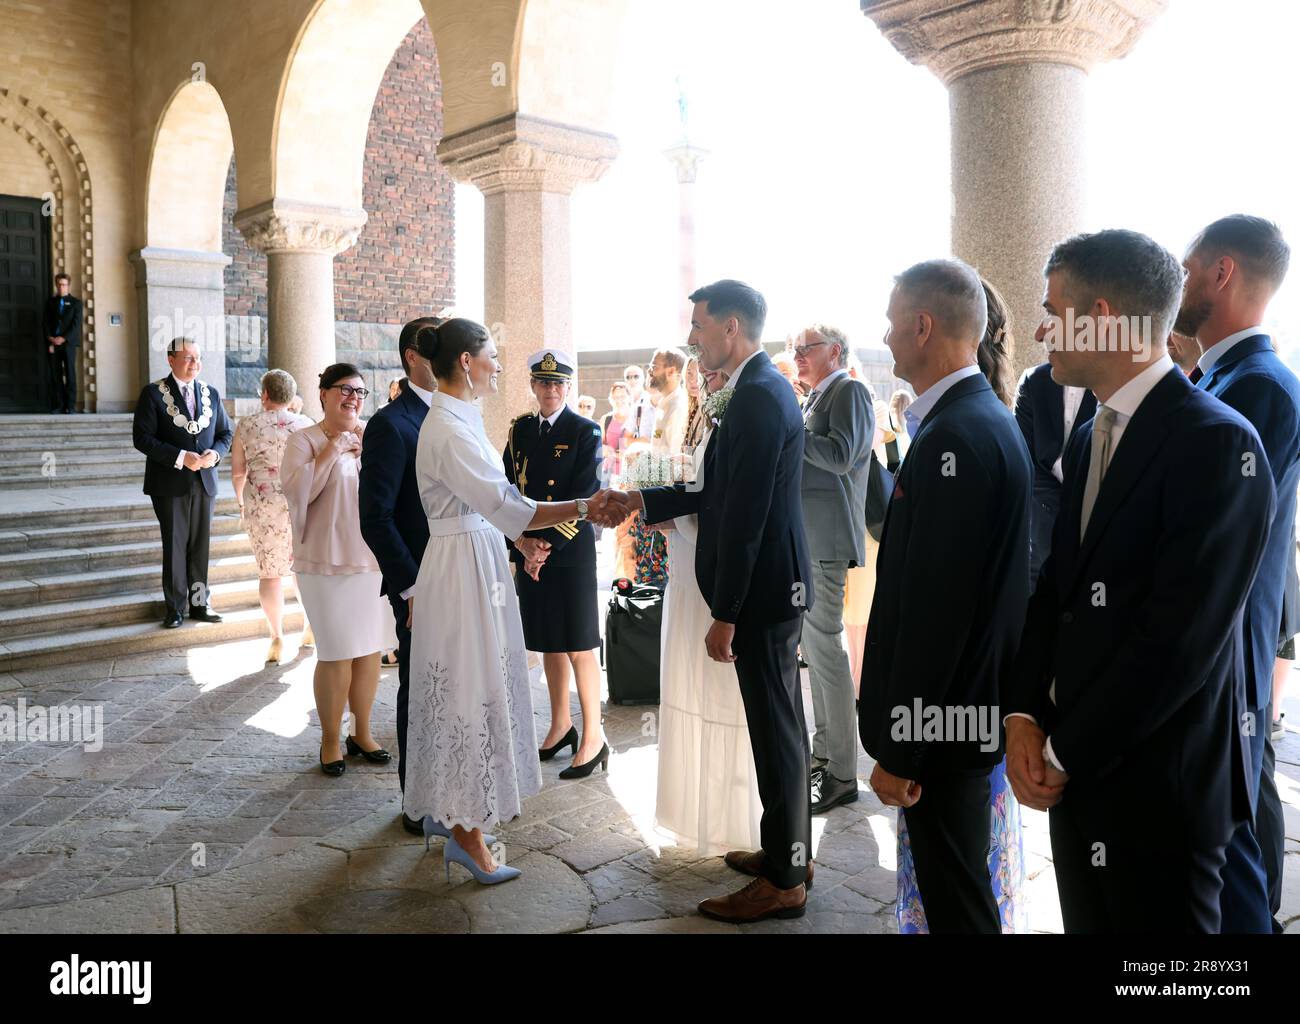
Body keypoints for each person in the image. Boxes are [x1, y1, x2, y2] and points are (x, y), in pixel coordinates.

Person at [1006, 228, 1275, 933]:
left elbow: (1180, 641)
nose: (1039, 327)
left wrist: (1063, 750)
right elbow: (1057, 586)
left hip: (1162, 795)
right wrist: (1025, 715)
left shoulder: (1217, 442)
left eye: (1051, 308)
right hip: (1075, 779)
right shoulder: (1090, 427)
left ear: (1101, 317)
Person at [596, 279, 814, 923]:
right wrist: (639, 500)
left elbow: (745, 516)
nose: (691, 337)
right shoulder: (751, 391)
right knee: (779, 731)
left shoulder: (756, 397)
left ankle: (785, 879)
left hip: (765, 593)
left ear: (732, 328)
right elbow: (713, 486)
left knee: (778, 737)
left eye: (699, 325)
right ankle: (786, 852)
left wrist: (726, 613)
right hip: (770, 588)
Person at [403, 318, 618, 884]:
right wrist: (583, 506)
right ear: (467, 363)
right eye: (492, 355)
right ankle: (466, 833)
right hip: (459, 569)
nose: (500, 366)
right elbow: (506, 501)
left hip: (475, 555)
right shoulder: (449, 428)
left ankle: (453, 812)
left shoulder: (461, 418)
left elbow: (487, 504)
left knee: (473, 683)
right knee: (468, 688)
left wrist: (521, 540)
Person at [857, 260, 1031, 934]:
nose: (888, 333)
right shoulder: (977, 417)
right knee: (956, 890)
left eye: (894, 319)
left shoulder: (957, 434)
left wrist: (904, 750)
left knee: (958, 903)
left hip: (944, 731)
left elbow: (940, 615)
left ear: (922, 325)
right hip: (958, 722)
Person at [1175, 214, 1299, 932]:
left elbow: (1205, 535)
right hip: (1216, 653)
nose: (1180, 283)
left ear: (1222, 273)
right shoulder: (1224, 376)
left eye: (1190, 268)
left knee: (1226, 858)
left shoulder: (1259, 386)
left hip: (1224, 658)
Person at [655, 362, 762, 855]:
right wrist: (659, 508)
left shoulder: (746, 408)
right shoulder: (705, 417)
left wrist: (669, 514)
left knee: (719, 694)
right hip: (686, 562)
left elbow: (729, 508)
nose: (703, 378)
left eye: (710, 371)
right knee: (690, 686)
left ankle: (729, 820)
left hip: (708, 567)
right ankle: (696, 811)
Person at [503, 349, 608, 778]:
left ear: (568, 387)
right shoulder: (520, 430)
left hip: (567, 553)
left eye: (557, 383)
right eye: (543, 382)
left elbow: (588, 495)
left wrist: (543, 547)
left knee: (580, 644)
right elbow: (508, 488)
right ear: (532, 385)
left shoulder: (586, 431)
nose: (549, 390)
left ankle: (594, 737)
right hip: (530, 548)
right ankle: (560, 724)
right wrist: (523, 543)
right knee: (548, 641)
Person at [281, 364, 389, 777]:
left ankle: (362, 732)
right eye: (344, 390)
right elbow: (296, 493)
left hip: (370, 560)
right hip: (323, 563)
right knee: (336, 652)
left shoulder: (372, 438)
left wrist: (365, 452)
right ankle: (330, 739)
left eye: (360, 392)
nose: (353, 398)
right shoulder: (303, 440)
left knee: (368, 651)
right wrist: (333, 450)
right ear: (323, 393)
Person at [359, 316, 442, 829]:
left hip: (463, 578)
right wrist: (411, 587)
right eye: (437, 346)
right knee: (420, 686)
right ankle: (417, 801)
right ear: (412, 355)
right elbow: (376, 517)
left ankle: (453, 788)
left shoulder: (457, 415)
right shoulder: (391, 423)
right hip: (420, 582)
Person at [793, 324, 874, 815]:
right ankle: (825, 755)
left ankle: (843, 771)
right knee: (816, 650)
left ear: (835, 351)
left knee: (825, 648)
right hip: (807, 540)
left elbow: (843, 456)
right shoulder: (814, 398)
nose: (798, 355)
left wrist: (791, 433)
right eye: (794, 349)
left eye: (807, 348)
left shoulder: (850, 390)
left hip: (826, 540)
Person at [132, 336, 233, 629]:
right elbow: (142, 438)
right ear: (171, 360)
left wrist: (215, 454)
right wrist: (179, 457)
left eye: (198, 357)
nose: (195, 363)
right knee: (175, 545)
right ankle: (175, 608)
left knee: (200, 547)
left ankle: (200, 604)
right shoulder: (152, 394)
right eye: (188, 357)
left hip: (205, 481)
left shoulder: (210, 393)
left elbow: (226, 433)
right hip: (169, 483)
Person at [229, 369, 312, 664]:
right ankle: (310, 624)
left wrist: (241, 500)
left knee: (270, 573)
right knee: (301, 568)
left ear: (264, 395)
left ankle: (276, 637)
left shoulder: (247, 425)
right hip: (298, 503)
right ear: (291, 397)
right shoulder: (305, 424)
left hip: (262, 504)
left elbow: (239, 472)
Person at [1014, 355, 1096, 586]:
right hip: (1041, 529)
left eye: (1054, 318)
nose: (1044, 332)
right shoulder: (1034, 381)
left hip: (1093, 523)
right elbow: (1026, 461)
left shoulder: (1107, 381)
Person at [44, 273, 82, 414]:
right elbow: (46, 322)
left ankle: (70, 406)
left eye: (64, 284)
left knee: (70, 374)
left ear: (68, 285)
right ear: (56, 285)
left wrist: (63, 338)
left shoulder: (76, 303)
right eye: (59, 284)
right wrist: (50, 337)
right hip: (53, 343)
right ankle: (59, 405)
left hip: (68, 344)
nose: (61, 287)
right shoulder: (51, 303)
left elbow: (76, 325)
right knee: (56, 375)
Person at [648, 347, 689, 454]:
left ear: (671, 371)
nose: (649, 371)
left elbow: (674, 458)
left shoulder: (677, 408)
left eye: (654, 367)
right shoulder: (664, 402)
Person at [599, 381, 632, 480]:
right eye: (616, 397)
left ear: (629, 398)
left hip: (630, 474)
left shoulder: (636, 419)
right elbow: (599, 446)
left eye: (622, 396)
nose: (619, 400)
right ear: (611, 399)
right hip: (608, 473)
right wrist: (606, 450)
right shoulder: (606, 419)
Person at [623, 363, 656, 442]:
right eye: (628, 377)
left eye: (636, 376)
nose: (632, 380)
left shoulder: (650, 400)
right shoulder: (624, 403)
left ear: (643, 379)